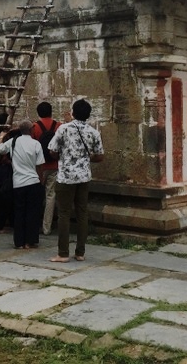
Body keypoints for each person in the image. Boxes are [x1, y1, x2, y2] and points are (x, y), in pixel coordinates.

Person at [48, 99, 104, 263]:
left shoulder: (63, 129)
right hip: (84, 176)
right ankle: (80, 252)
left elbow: (52, 150)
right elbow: (100, 156)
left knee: (64, 214)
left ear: (73, 112)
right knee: (82, 213)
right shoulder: (93, 132)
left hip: (66, 177)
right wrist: (85, 158)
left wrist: (64, 156)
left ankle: (63, 253)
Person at [0, 120, 45, 249]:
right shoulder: (36, 144)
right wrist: (41, 180)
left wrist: (1, 138)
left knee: (19, 212)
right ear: (31, 130)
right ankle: (30, 240)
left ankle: (19, 242)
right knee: (32, 212)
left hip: (18, 182)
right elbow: (39, 165)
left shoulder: (13, 142)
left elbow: (1, 149)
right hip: (33, 180)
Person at [31, 102, 62, 235]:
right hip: (54, 165)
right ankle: (47, 227)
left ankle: (33, 224)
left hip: (39, 166)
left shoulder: (35, 127)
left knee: (36, 195)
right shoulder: (59, 126)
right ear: (51, 111)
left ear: (38, 113)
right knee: (51, 196)